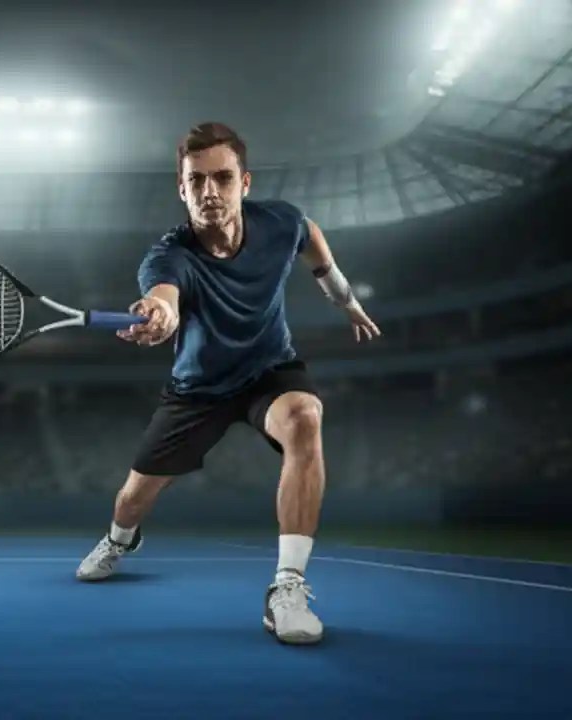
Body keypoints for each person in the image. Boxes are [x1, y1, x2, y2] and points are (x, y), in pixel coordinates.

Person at [75, 122, 381, 645]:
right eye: (196, 180)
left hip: (268, 370)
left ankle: (287, 587)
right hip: (197, 389)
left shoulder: (281, 224)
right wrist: (160, 314)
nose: (209, 191)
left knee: (306, 415)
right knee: (130, 501)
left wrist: (347, 302)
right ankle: (120, 541)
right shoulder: (168, 256)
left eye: (222, 177)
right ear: (182, 188)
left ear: (245, 183)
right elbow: (163, 297)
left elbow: (313, 242)